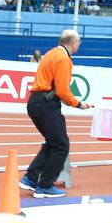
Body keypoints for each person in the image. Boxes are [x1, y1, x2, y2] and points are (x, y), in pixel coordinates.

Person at [21, 29, 93, 198]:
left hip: (36, 102)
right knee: (61, 145)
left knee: (53, 142)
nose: (79, 45)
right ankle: (45, 185)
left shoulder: (51, 53)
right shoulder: (63, 59)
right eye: (79, 42)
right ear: (73, 42)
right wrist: (78, 104)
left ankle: (31, 178)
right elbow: (62, 90)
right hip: (47, 103)